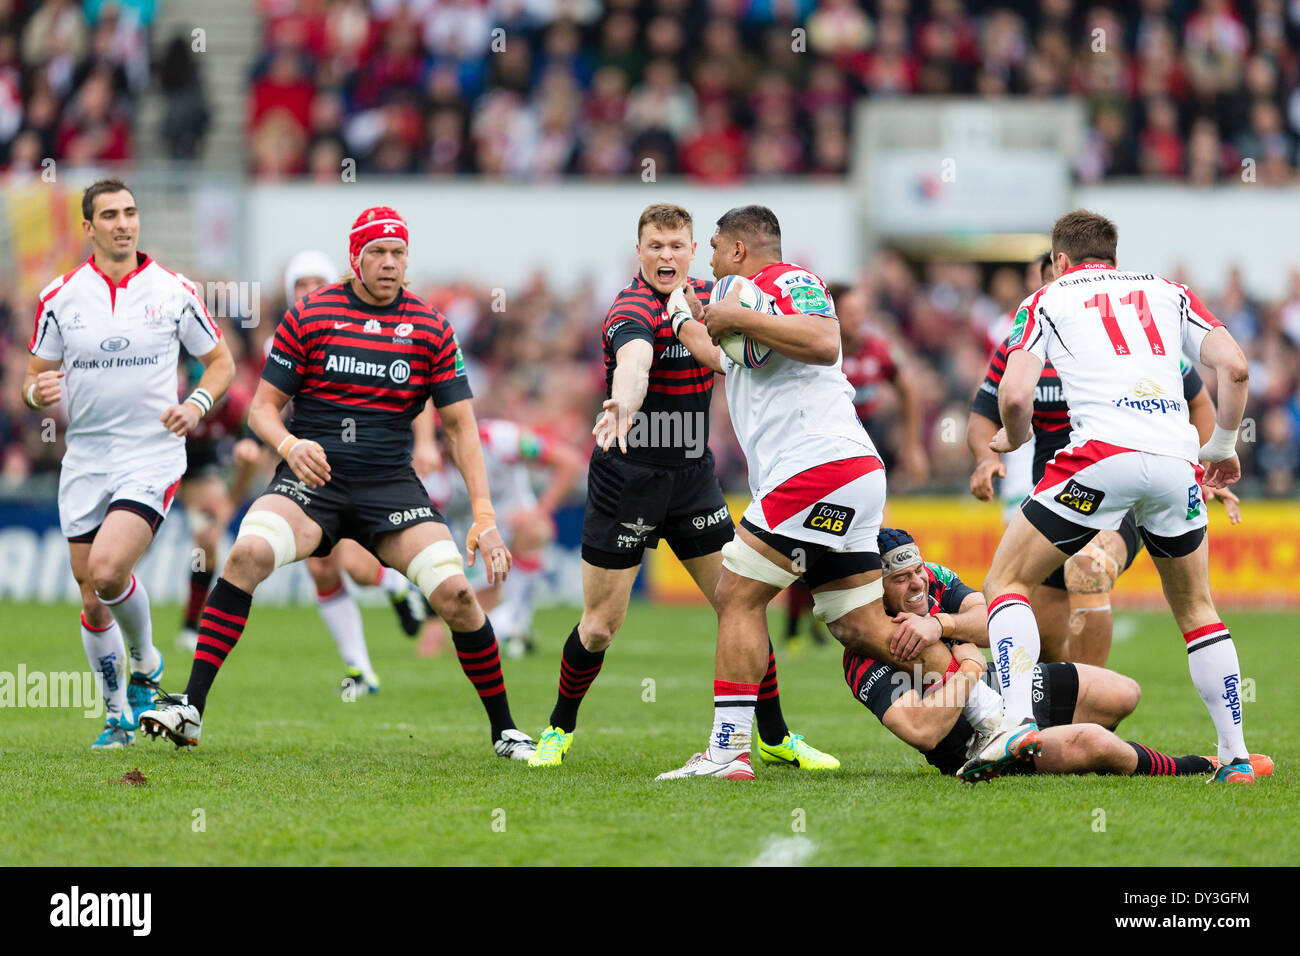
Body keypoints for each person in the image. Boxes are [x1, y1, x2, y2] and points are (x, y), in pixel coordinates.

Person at [139, 206, 536, 759]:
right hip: (312, 483)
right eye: (378, 252)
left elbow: (460, 426)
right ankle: (190, 708)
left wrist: (486, 517)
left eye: (398, 253)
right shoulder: (311, 314)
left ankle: (505, 730)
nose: (389, 263)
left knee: (459, 595)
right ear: (355, 258)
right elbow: (262, 410)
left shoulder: (429, 326)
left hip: (390, 487)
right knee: (246, 555)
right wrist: (290, 445)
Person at [658, 206, 993, 780]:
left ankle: (728, 752)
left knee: (737, 595)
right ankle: (994, 718)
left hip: (818, 468)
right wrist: (684, 319)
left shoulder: (789, 280)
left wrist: (731, 311)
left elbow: (821, 340)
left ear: (739, 249)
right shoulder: (748, 305)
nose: (708, 259)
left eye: (713, 246)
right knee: (860, 627)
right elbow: (728, 360)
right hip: (840, 472)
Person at [528, 203, 838, 772]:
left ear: (695, 250)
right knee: (599, 627)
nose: (666, 255)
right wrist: (624, 400)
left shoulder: (712, 297)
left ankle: (773, 736)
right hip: (628, 479)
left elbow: (746, 350)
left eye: (677, 245)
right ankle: (557, 728)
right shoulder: (629, 307)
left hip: (693, 478)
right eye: (656, 246)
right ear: (639, 251)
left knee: (739, 605)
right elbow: (635, 361)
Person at [961, 209, 1258, 784]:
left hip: (1098, 461)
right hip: (1176, 463)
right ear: (1115, 259)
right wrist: (1220, 446)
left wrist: (1012, 439)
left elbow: (1016, 399)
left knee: (1005, 583)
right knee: (1198, 611)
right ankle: (1237, 757)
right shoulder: (1170, 293)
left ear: (1060, 262)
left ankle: (1018, 725)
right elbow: (1237, 368)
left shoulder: (1047, 299)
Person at [23, 178, 234, 749]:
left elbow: (221, 363)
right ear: (88, 227)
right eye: (111, 215)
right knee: (91, 599)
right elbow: (32, 378)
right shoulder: (59, 297)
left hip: (151, 454)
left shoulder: (174, 290)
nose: (124, 223)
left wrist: (196, 404)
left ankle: (146, 665)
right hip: (85, 459)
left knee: (109, 571)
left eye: (131, 212)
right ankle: (117, 718)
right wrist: (34, 395)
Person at [967, 253, 1243, 665]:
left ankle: (1093, 708)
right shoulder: (1022, 348)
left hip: (1117, 487)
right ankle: (1062, 712)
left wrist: (1206, 464)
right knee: (1045, 635)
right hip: (1056, 497)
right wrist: (985, 459)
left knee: (1088, 571)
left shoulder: (1129, 349)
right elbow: (984, 415)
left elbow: (1200, 402)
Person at [843, 529, 1273, 780]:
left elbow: (989, 617)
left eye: (916, 570)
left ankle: (1052, 744)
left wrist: (942, 624)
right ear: (876, 588)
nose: (917, 584)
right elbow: (923, 731)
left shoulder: (936, 579)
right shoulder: (865, 649)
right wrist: (971, 667)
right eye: (900, 579)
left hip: (1008, 690)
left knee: (1124, 693)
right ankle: (1200, 764)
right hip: (975, 742)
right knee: (1095, 742)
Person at [277, 250, 433, 697]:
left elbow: (414, 393)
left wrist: (423, 444)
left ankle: (397, 588)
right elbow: (267, 403)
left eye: (315, 284)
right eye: (298, 286)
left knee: (355, 567)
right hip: (312, 467)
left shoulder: (371, 329)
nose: (307, 293)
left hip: (366, 469)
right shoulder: (289, 336)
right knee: (323, 571)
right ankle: (361, 668)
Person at [421, 417, 584, 658]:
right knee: (474, 625)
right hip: (473, 549)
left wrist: (539, 511)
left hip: (513, 526)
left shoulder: (500, 438)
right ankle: (509, 630)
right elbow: (426, 544)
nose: (444, 443)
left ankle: (517, 623)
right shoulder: (432, 474)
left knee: (536, 528)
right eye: (437, 437)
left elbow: (569, 461)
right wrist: (432, 618)